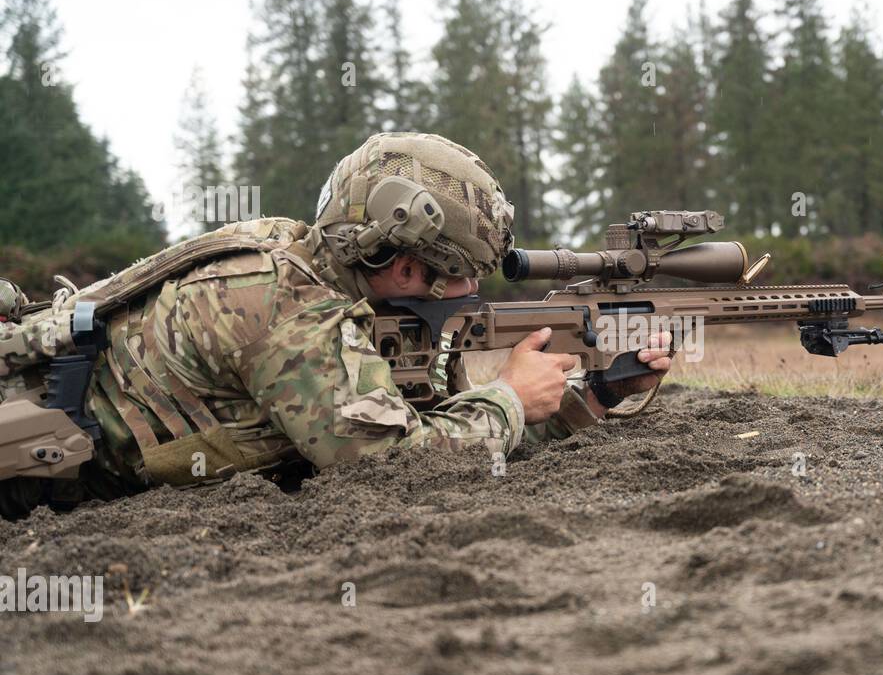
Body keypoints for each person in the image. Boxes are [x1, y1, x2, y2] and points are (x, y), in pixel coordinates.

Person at [0, 132, 672, 517]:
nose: (473, 293)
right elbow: (391, 464)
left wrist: (600, 391)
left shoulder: (312, 266)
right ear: (403, 267)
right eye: (464, 275)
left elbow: (436, 426)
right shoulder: (282, 310)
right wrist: (508, 399)